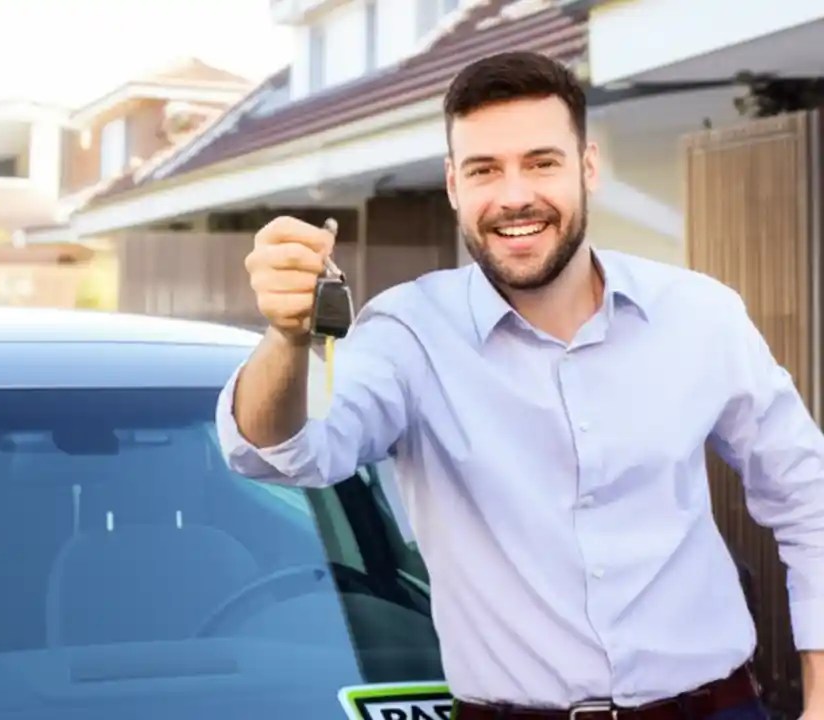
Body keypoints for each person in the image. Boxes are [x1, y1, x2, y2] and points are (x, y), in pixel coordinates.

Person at [216, 50, 824, 720]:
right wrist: (285, 338)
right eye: (484, 169)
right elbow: (284, 452)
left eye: (541, 162)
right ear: (453, 184)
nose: (513, 196)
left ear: (587, 167)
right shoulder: (406, 334)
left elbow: (807, 492)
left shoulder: (699, 314)